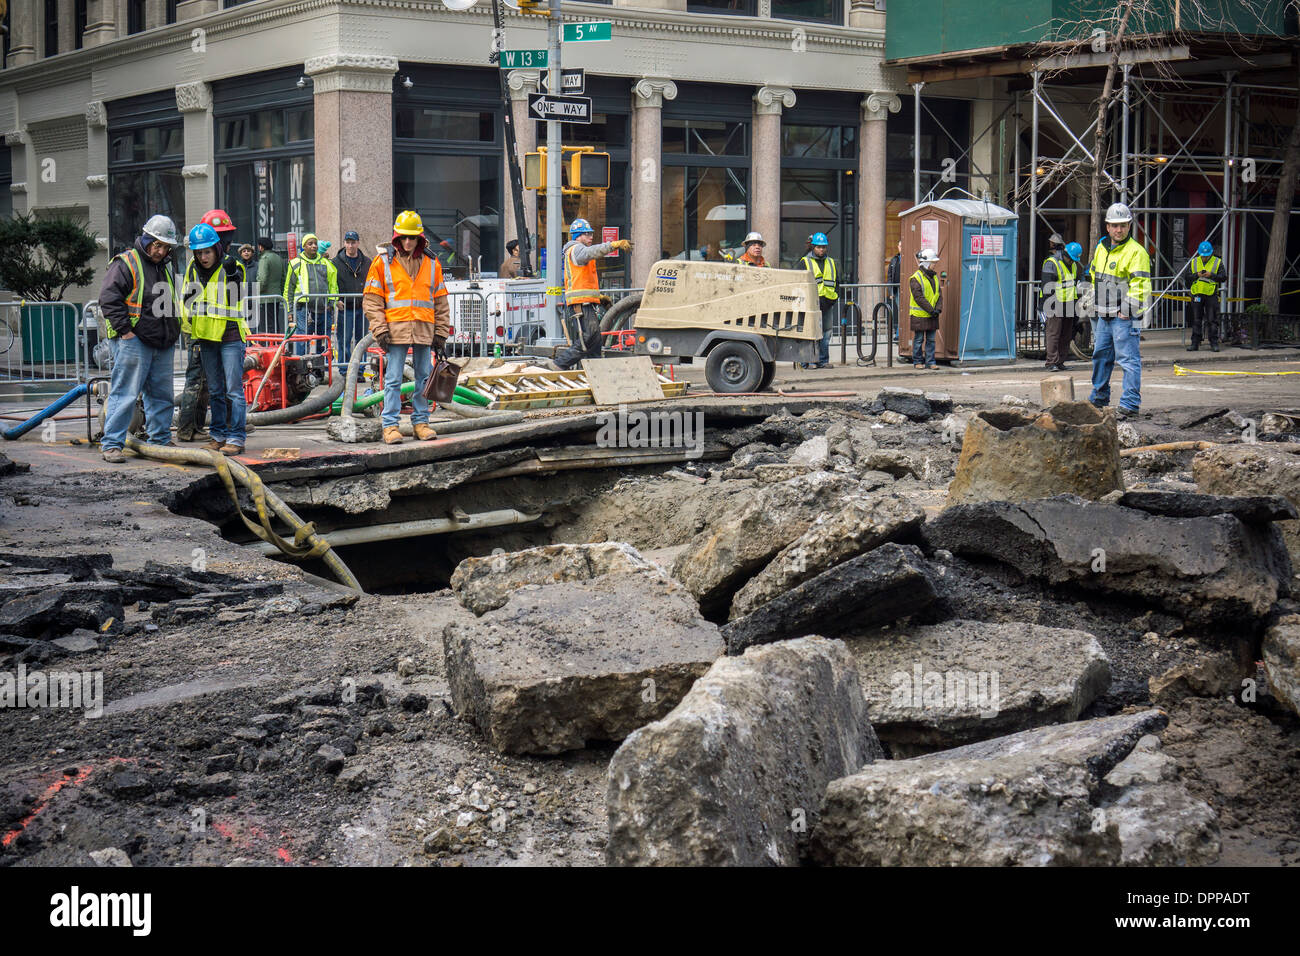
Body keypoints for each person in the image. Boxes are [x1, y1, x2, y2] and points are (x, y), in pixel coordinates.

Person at [97, 215, 182, 463]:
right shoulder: (126, 263)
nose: (160, 250)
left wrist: (173, 332)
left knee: (161, 396)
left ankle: (160, 440)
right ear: (146, 239)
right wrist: (126, 331)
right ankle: (112, 443)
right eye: (157, 244)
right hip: (135, 341)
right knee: (125, 394)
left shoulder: (165, 265)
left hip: (161, 340)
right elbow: (108, 298)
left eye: (165, 246)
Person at [363, 211, 450, 445]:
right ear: (396, 238)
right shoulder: (382, 262)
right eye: (404, 238)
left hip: (423, 329)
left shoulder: (432, 263)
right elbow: (372, 300)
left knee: (423, 378)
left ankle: (421, 423)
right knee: (392, 379)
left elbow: (440, 300)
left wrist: (441, 332)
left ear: (420, 238)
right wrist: (379, 329)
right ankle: (390, 426)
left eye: (412, 238)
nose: (408, 242)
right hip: (395, 330)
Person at [181, 223, 249, 456]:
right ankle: (218, 435)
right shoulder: (192, 268)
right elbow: (187, 301)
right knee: (216, 391)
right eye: (199, 252)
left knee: (233, 391)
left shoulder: (233, 265)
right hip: (206, 337)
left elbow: (237, 295)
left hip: (230, 336)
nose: (203, 256)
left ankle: (237, 437)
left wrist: (232, 276)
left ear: (216, 248)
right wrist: (189, 331)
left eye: (207, 251)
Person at [1089, 202, 1151, 419]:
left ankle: (1130, 403)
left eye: (1123, 225)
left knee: (1128, 359)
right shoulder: (1101, 248)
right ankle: (1098, 397)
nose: (1119, 230)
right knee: (1100, 357)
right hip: (1104, 314)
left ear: (1129, 226)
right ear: (1107, 227)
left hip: (1123, 316)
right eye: (1115, 226)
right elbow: (1095, 277)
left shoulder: (1136, 252)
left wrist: (1126, 310)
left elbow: (1141, 285)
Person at [555, 218, 633, 370]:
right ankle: (559, 364)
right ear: (578, 236)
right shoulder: (577, 249)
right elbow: (592, 252)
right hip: (580, 304)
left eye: (591, 233)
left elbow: (584, 280)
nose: (591, 237)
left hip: (585, 302)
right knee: (589, 337)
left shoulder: (577, 251)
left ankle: (595, 370)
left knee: (596, 339)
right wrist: (613, 245)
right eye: (587, 234)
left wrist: (598, 297)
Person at [283, 232, 339, 356]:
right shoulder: (295, 263)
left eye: (315, 243)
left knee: (323, 339)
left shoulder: (326, 263)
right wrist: (290, 311)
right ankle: (302, 369)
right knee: (302, 339)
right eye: (310, 244)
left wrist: (331, 303)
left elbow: (333, 285)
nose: (314, 246)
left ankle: (322, 368)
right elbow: (289, 289)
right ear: (304, 246)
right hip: (303, 309)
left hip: (323, 308)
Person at [333, 230, 371, 370]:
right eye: (348, 242)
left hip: (362, 307)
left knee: (361, 341)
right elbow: (331, 283)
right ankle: (344, 370)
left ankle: (360, 370)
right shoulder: (335, 262)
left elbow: (372, 282)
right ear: (344, 243)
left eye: (353, 242)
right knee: (344, 340)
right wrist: (335, 299)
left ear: (358, 243)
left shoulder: (367, 262)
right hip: (345, 307)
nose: (350, 246)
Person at [1042, 240, 1082, 372]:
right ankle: (1051, 362)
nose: (1072, 261)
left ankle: (1060, 361)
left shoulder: (1074, 265)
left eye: (1074, 259)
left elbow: (1074, 286)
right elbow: (1047, 287)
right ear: (1065, 254)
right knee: (1054, 334)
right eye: (1070, 258)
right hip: (1055, 303)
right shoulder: (1052, 263)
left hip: (1069, 304)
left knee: (1066, 335)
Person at [800, 232, 838, 370]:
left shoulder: (831, 262)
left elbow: (836, 282)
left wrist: (834, 298)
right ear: (813, 247)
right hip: (811, 304)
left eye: (823, 247)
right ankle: (808, 361)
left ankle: (823, 360)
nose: (821, 249)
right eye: (818, 247)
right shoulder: (805, 262)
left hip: (827, 303)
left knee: (826, 333)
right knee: (811, 333)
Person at [1188, 240, 1227, 352]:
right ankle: (1195, 343)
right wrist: (1197, 275)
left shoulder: (1217, 262)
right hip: (1197, 294)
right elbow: (1187, 277)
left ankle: (1214, 343)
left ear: (1211, 253)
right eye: (1202, 255)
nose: (1204, 258)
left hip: (1211, 295)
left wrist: (1212, 275)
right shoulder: (1194, 262)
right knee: (1196, 320)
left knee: (1212, 320)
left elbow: (1223, 277)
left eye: (1207, 255)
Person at [908, 248, 942, 371]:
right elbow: (919, 297)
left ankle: (930, 362)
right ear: (927, 263)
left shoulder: (934, 277)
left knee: (931, 340)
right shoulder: (915, 278)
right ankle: (917, 361)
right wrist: (931, 310)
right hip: (920, 314)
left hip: (932, 314)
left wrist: (938, 309)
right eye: (933, 263)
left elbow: (938, 294)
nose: (934, 265)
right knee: (919, 340)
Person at [256, 237, 286, 333]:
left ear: (261, 247)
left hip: (266, 296)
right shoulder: (278, 258)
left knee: (268, 324)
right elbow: (283, 278)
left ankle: (272, 345)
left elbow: (262, 279)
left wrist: (256, 291)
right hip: (276, 295)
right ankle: (277, 344)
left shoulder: (264, 259)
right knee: (275, 322)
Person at [887, 239, 901, 342]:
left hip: (906, 290)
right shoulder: (894, 259)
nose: (901, 248)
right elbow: (890, 277)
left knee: (903, 312)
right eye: (900, 246)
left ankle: (898, 334)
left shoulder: (909, 258)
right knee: (900, 312)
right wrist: (891, 292)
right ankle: (898, 334)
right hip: (897, 290)